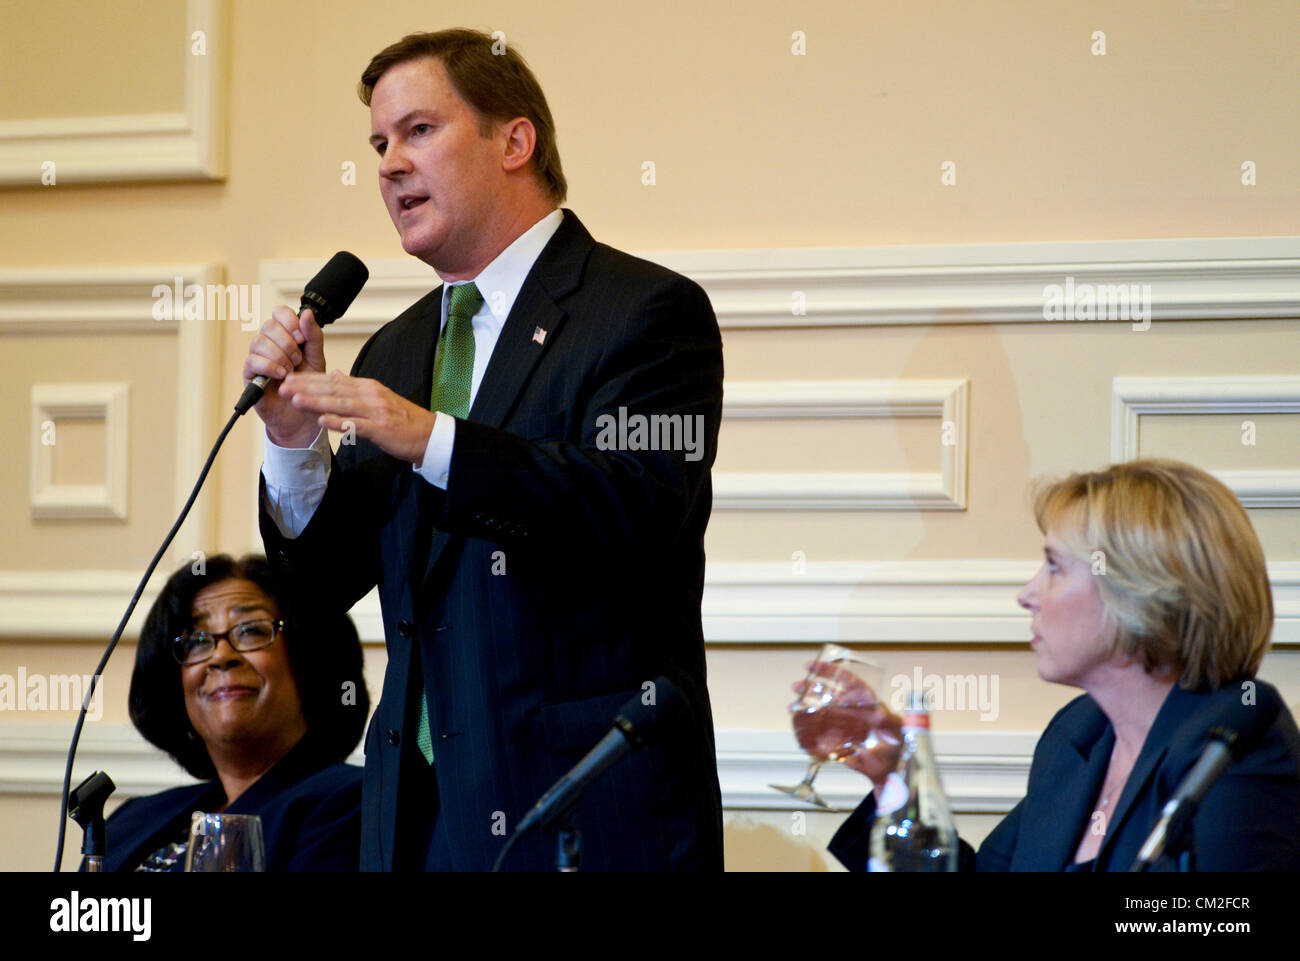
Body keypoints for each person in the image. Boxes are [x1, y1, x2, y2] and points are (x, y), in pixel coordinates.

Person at [243, 29, 724, 870]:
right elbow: (321, 584)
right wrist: (292, 441)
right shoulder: (395, 351)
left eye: (419, 131)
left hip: (584, 816)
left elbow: (638, 507)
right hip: (412, 823)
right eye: (379, 143)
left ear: (515, 140)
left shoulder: (646, 312)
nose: (390, 163)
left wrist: (430, 438)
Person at [824, 459, 1300, 871]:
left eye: (1053, 566)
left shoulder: (1238, 750)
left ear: (1137, 593)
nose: (1027, 594)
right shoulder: (1080, 736)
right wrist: (894, 778)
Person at [103, 554, 368, 872]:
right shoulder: (133, 818)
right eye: (197, 640)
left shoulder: (352, 804)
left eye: (251, 631)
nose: (221, 656)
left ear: (310, 660)